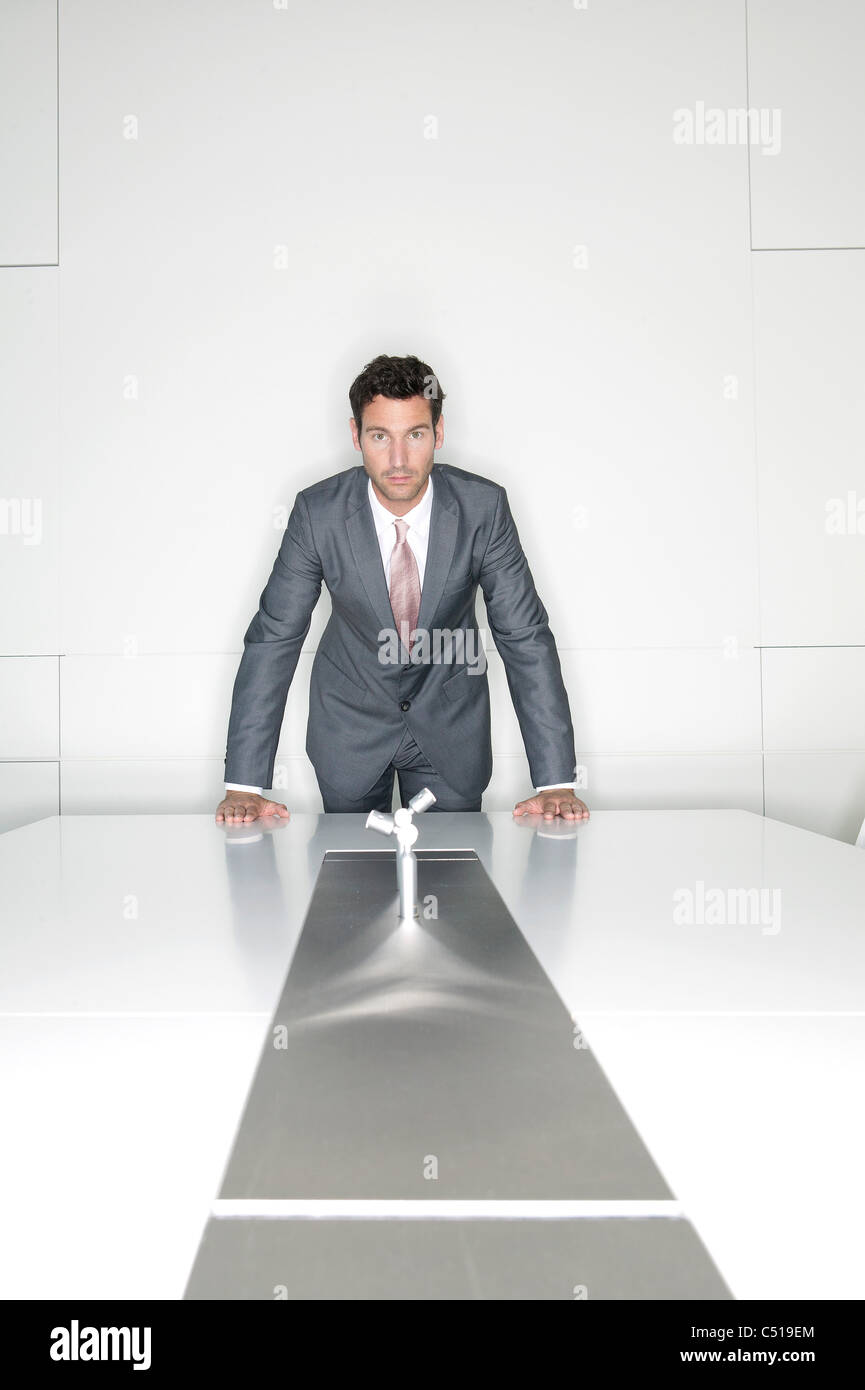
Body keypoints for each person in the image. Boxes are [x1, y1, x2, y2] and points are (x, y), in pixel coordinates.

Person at [216, 354, 589, 825]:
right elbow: (275, 637)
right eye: (379, 437)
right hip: (349, 726)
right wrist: (243, 786)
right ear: (356, 436)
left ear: (439, 433)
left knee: (452, 886)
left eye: (414, 435)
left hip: (450, 730)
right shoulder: (318, 513)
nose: (398, 460)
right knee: (353, 888)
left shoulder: (483, 508)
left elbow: (524, 635)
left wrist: (555, 781)